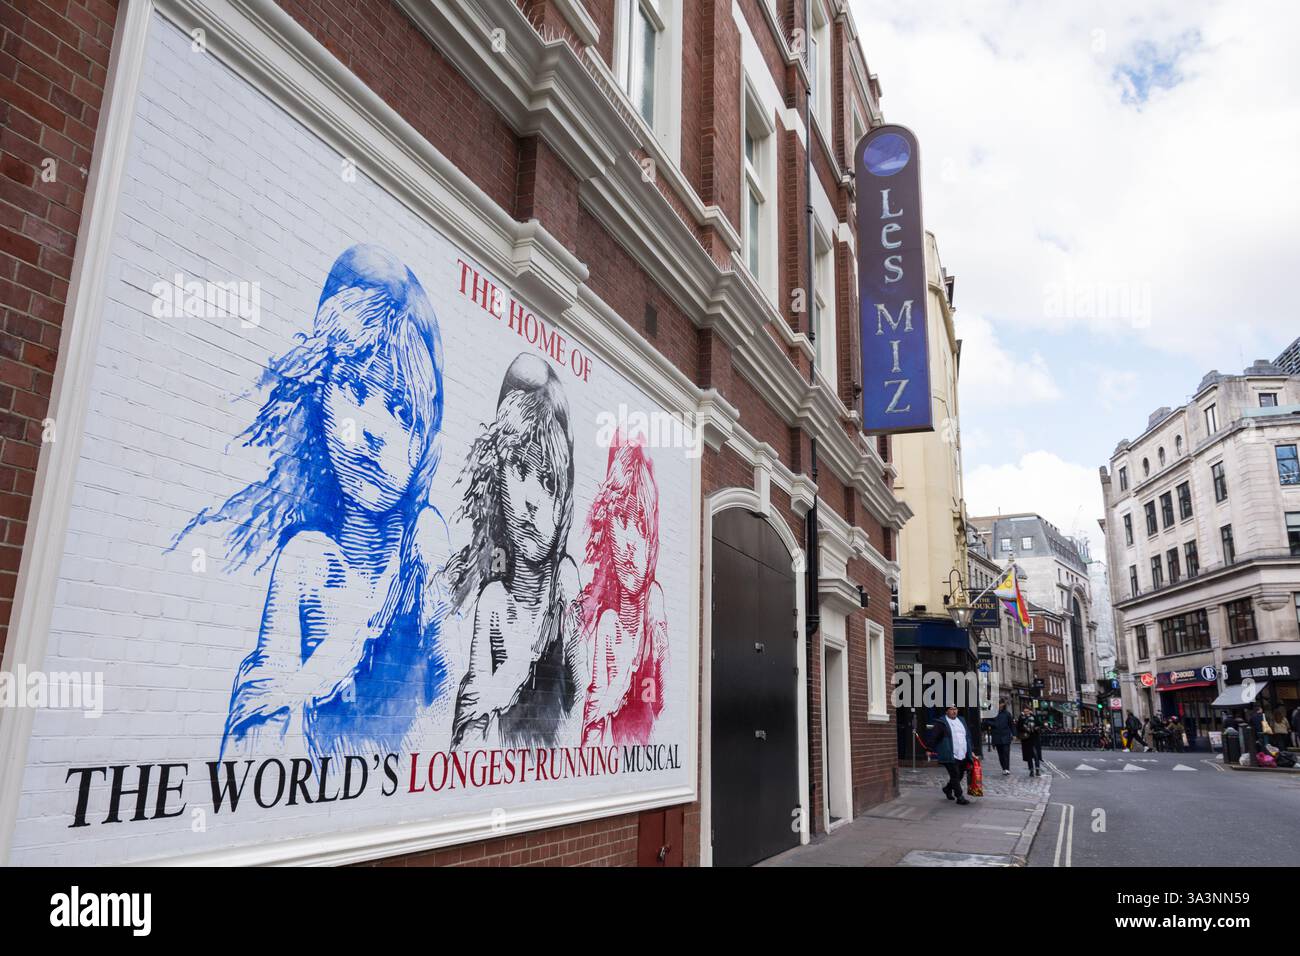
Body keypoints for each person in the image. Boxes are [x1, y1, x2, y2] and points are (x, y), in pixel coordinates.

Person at [173, 245, 451, 765]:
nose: (370, 431)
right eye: (350, 386)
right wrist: (319, 671)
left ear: (426, 434)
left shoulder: (426, 551)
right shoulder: (306, 563)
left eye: (397, 407)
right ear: (319, 396)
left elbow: (452, 717)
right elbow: (249, 757)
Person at [447, 353, 585, 749]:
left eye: (546, 480)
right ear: (498, 477)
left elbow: (583, 717)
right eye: (518, 470)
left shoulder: (567, 605)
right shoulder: (494, 605)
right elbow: (468, 728)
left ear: (564, 500)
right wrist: (504, 687)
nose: (530, 501)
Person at [579, 434, 669, 746]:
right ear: (607, 526)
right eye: (621, 520)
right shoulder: (602, 629)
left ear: (653, 537)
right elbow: (590, 744)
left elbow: (666, 711)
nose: (631, 546)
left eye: (642, 527)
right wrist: (609, 696)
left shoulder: (655, 612)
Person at [929, 705, 975, 804]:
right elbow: (934, 736)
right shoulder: (941, 723)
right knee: (955, 774)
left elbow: (968, 736)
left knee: (960, 775)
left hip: (962, 753)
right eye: (951, 709)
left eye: (955, 709)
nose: (954, 711)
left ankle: (947, 788)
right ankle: (960, 797)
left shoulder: (962, 720)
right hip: (949, 753)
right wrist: (929, 748)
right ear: (946, 711)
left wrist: (972, 750)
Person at [991, 699, 1015, 775]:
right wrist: (994, 724)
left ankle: (1007, 769)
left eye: (1001, 704)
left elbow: (1011, 725)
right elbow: (986, 722)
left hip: (1006, 736)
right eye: (998, 704)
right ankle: (1004, 768)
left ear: (1003, 705)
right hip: (997, 737)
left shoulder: (1007, 714)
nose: (1000, 705)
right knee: (1000, 754)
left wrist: (1014, 734)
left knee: (1006, 753)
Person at [1016, 706, 1043, 776]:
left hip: (1034, 738)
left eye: (1027, 711)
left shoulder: (1034, 717)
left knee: (1036, 754)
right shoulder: (1021, 718)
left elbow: (1040, 724)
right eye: (1024, 711)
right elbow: (1018, 727)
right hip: (1026, 739)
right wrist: (1025, 728)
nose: (1026, 713)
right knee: (1029, 756)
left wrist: (1036, 728)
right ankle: (1031, 770)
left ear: (1030, 711)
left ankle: (1037, 769)